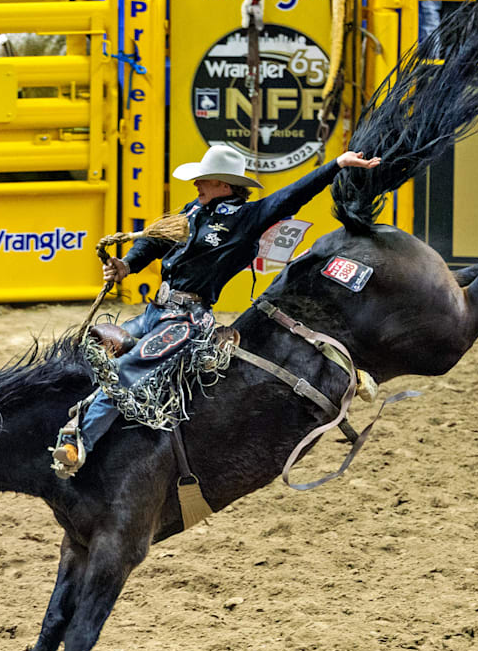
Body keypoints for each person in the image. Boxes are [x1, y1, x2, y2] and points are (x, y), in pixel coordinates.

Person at [51, 145, 381, 476]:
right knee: (95, 348)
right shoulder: (194, 210)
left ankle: (78, 444)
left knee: (127, 369)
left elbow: (293, 195)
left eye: (203, 180)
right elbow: (154, 240)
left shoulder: (248, 218)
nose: (197, 185)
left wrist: (336, 165)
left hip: (186, 320)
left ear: (223, 185)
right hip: (157, 310)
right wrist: (127, 265)